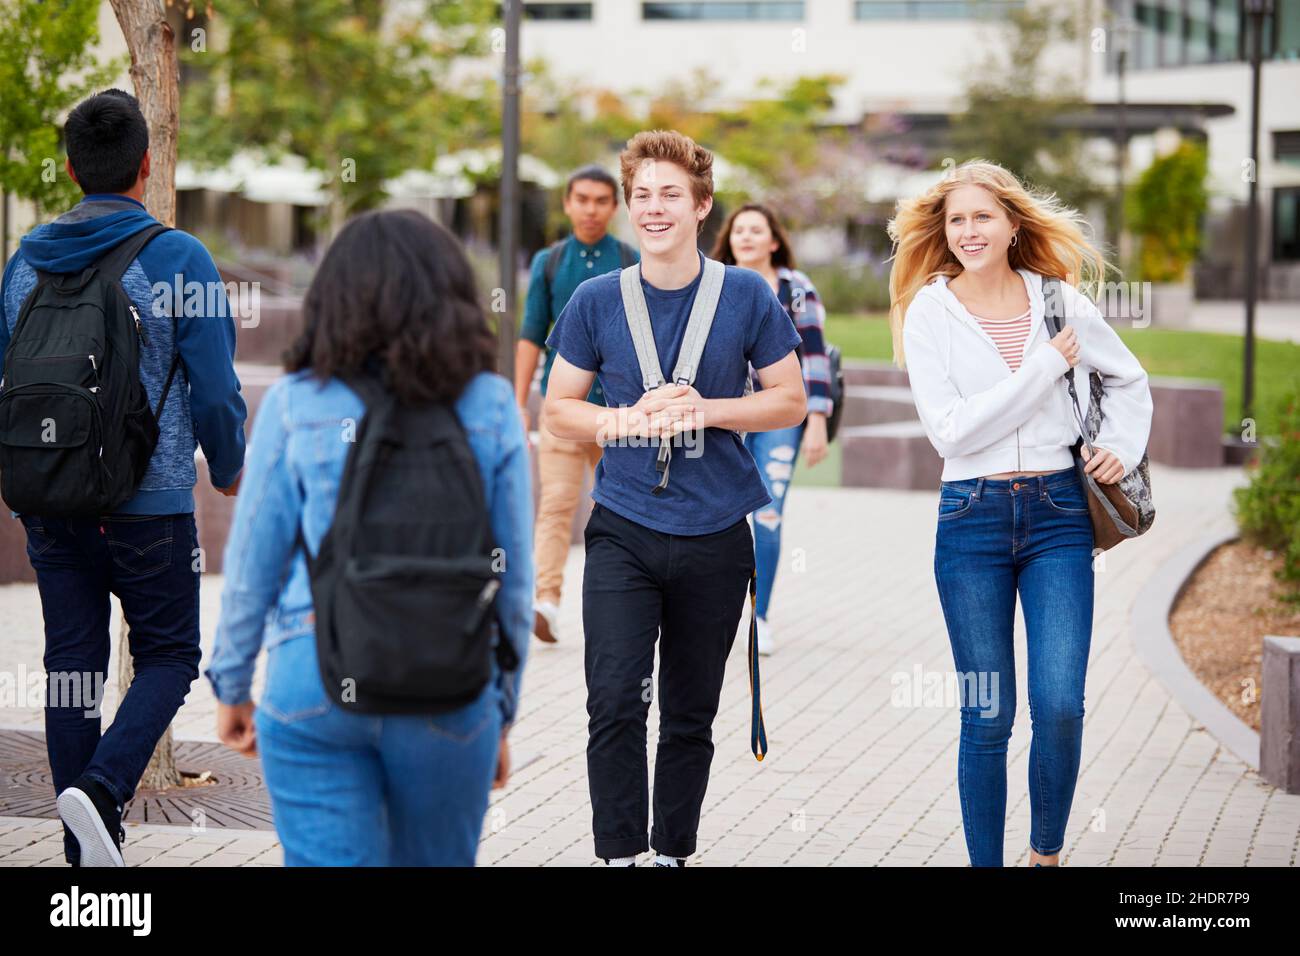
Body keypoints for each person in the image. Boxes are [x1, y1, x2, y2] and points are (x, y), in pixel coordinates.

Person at [207, 210, 532, 866]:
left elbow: (251, 567)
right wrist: (498, 710)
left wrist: (233, 685)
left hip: (314, 679)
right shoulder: (492, 405)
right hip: (449, 686)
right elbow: (514, 585)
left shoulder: (299, 402)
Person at [544, 129, 806, 866]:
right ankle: (620, 854)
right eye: (642, 196)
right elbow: (557, 410)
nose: (653, 208)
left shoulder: (747, 294)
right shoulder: (597, 300)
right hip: (624, 526)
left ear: (702, 205)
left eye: (670, 195)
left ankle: (671, 854)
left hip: (718, 531)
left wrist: (708, 409)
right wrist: (620, 420)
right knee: (615, 698)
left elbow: (789, 400)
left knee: (691, 712)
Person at [0, 89, 247, 867]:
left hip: (51, 502)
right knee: (171, 655)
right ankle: (104, 789)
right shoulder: (182, 259)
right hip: (150, 505)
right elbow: (213, 389)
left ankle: (85, 865)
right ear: (146, 165)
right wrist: (231, 466)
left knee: (72, 667)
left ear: (71, 168)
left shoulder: (23, 260)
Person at [887, 159, 1152, 867]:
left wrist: (1120, 449)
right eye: (956, 221)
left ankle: (1046, 852)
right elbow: (951, 431)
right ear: (943, 234)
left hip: (1059, 514)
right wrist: (1043, 367)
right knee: (986, 715)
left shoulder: (1059, 302)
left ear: (1011, 224)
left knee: (1060, 703)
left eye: (982, 217)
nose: (969, 231)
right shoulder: (929, 313)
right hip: (970, 519)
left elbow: (1128, 377)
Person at [515, 165, 637, 644]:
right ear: (567, 203)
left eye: (601, 200)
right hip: (563, 408)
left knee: (624, 509)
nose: (590, 208)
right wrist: (519, 400)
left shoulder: (631, 258)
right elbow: (530, 335)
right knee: (557, 504)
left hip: (623, 414)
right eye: (581, 199)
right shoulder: (549, 262)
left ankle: (628, 605)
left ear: (614, 206)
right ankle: (545, 601)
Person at [710, 203, 832, 655]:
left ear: (773, 240)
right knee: (720, 514)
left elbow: (815, 357)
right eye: (738, 230)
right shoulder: (712, 283)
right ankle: (719, 610)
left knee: (768, 513)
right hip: (724, 414)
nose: (746, 237)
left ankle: (759, 615)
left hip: (780, 419)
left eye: (756, 230)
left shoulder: (795, 288)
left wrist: (816, 419)